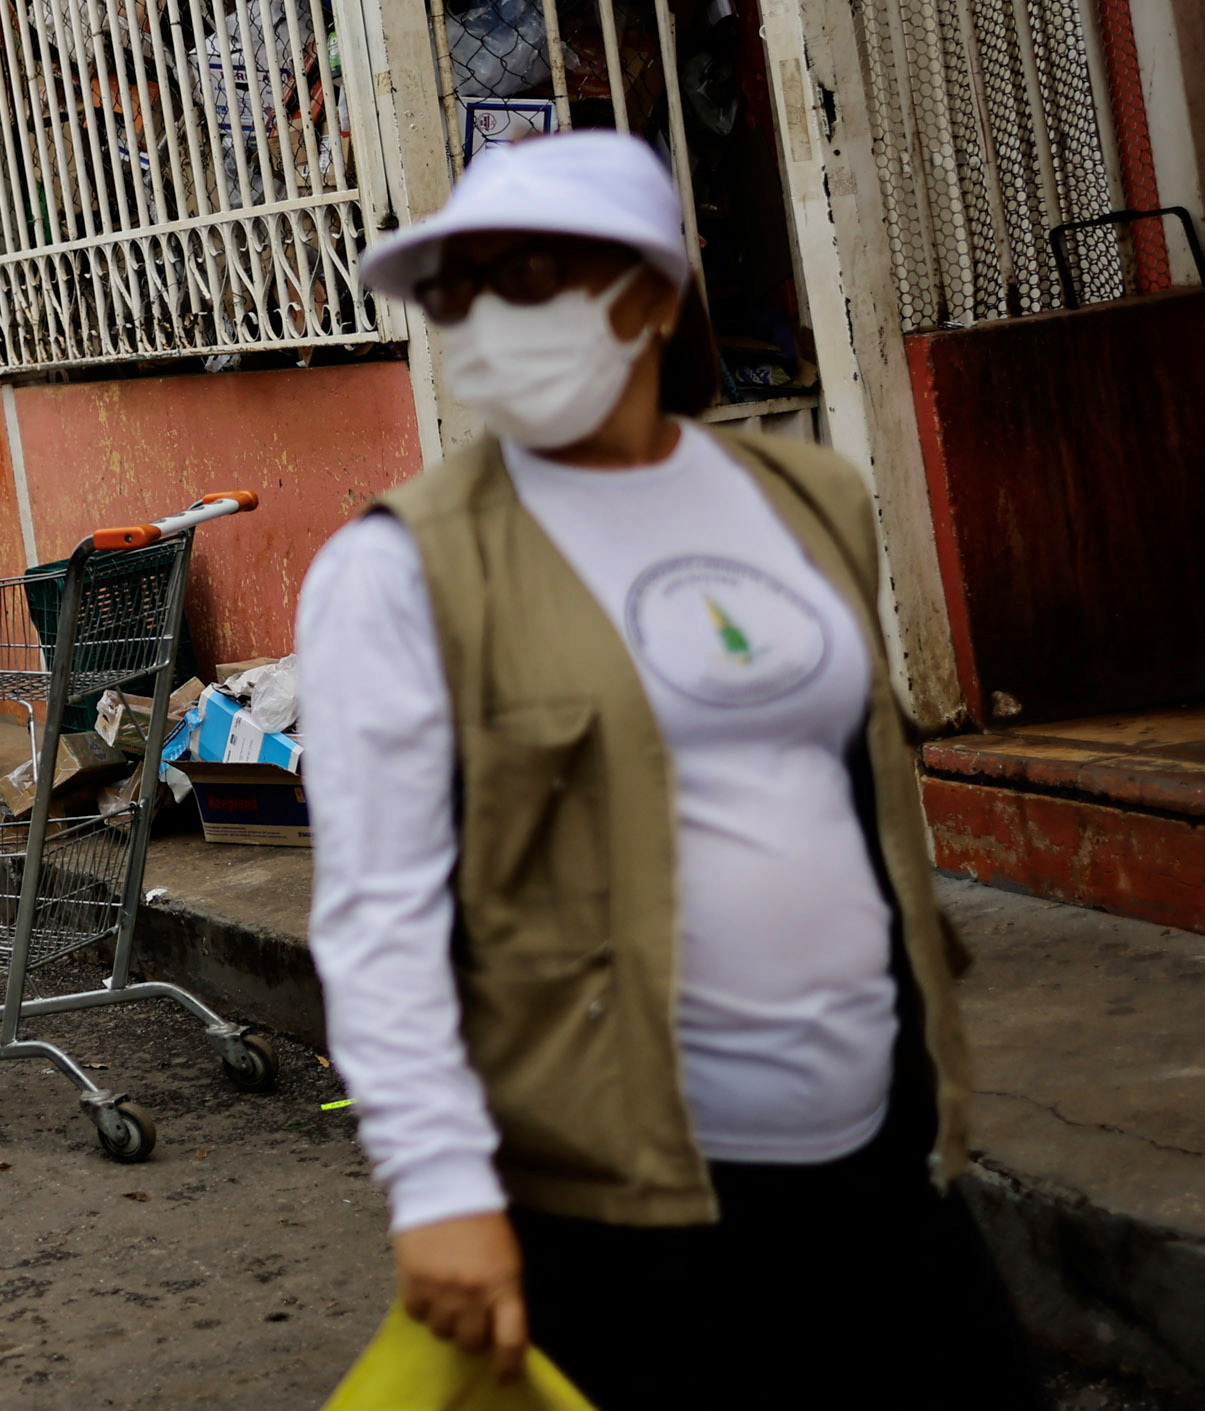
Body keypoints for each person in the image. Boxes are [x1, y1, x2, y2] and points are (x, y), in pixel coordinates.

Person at [297, 133, 1036, 1410]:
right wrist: (440, 1188)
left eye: (529, 275)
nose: (485, 317)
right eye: (459, 287)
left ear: (646, 296)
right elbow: (378, 910)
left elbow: (841, 785)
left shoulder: (807, 494)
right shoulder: (399, 566)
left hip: (879, 1154)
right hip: (621, 1204)